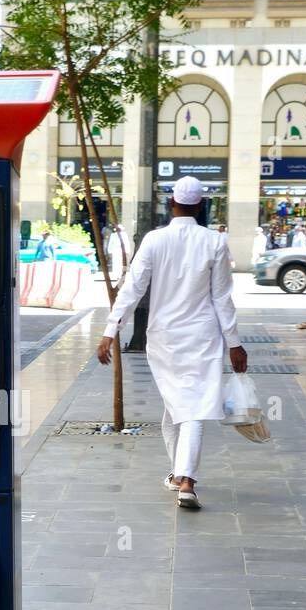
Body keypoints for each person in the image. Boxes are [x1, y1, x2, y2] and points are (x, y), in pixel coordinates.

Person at [96, 176, 247, 511]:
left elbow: (132, 288)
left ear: (171, 203)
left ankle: (186, 479)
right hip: (204, 337)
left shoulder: (154, 240)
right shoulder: (215, 241)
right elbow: (222, 298)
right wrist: (234, 342)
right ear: (201, 205)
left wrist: (110, 330)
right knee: (183, 407)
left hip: (164, 339)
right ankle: (182, 476)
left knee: (186, 405)